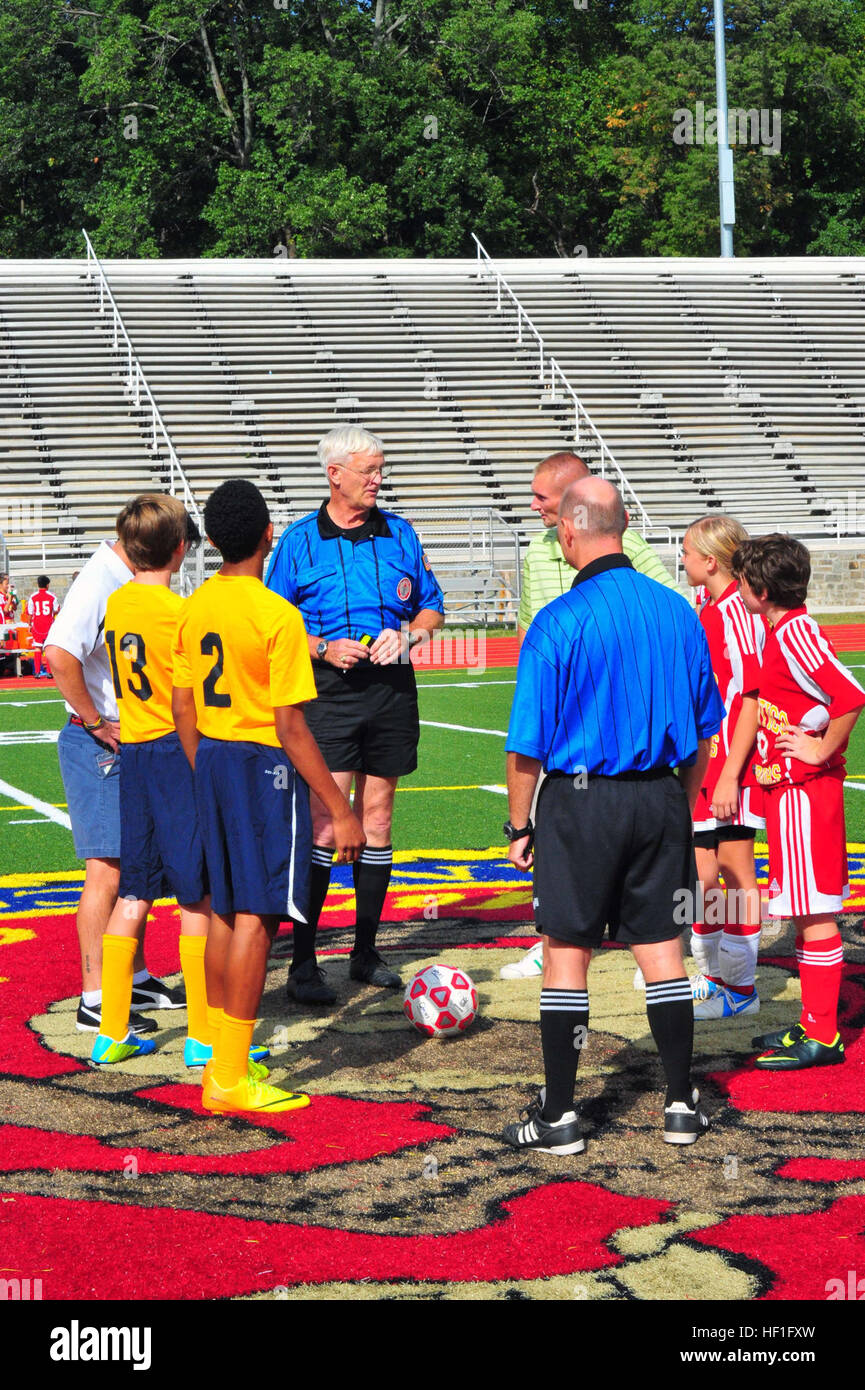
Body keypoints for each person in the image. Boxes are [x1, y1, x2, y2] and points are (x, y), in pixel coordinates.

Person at [502, 477, 725, 1154]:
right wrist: (675, 805)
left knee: (565, 954)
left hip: (581, 798)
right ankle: (681, 1106)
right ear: (622, 527)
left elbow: (525, 748)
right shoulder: (675, 611)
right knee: (663, 953)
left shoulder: (559, 619)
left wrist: (519, 828)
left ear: (570, 532)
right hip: (659, 795)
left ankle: (560, 1118)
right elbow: (704, 730)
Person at [172, 479, 365, 1115]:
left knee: (227, 912)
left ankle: (222, 1061)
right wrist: (340, 809)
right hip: (260, 764)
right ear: (267, 536)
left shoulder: (195, 604)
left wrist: (204, 767)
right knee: (255, 916)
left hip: (213, 758)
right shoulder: (277, 615)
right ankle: (229, 1076)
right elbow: (290, 726)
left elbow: (183, 705)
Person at [265, 426, 445, 1004]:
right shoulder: (297, 542)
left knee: (379, 820)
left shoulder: (401, 533)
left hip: (391, 689)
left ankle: (365, 952)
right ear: (333, 475)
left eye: (380, 469)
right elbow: (278, 621)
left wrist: (410, 636)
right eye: (367, 470)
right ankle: (304, 960)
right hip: (326, 692)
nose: (377, 479)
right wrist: (321, 647)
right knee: (325, 824)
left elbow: (432, 605)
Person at [503, 450, 683, 982]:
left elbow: (663, 605)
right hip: (560, 705)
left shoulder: (627, 547)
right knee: (556, 826)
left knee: (589, 825)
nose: (532, 507)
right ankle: (559, 930)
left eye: (541, 497)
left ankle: (623, 939)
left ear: (572, 504)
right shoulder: (538, 551)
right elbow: (528, 620)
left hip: (611, 707)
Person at [90, 496, 223, 1068]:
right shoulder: (181, 613)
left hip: (135, 751)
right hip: (174, 749)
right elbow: (189, 695)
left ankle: (111, 1032)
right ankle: (201, 1037)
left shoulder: (118, 602)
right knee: (197, 894)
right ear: (180, 548)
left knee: (134, 892)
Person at [44, 517, 184, 1036]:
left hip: (129, 740)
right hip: (100, 743)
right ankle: (95, 996)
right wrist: (97, 721)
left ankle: (134, 973)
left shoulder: (121, 575)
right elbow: (58, 654)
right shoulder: (103, 578)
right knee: (106, 869)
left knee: (135, 867)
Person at [733, 534, 865, 1070]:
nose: (738, 590)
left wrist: (819, 748)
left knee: (814, 913)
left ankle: (824, 1036)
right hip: (787, 793)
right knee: (805, 908)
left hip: (805, 793)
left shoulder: (796, 632)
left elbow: (850, 695)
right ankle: (814, 1024)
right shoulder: (779, 632)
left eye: (743, 582)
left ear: (761, 589)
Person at [679, 517, 767, 1021]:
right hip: (704, 761)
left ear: (710, 561)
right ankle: (713, 976)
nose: (683, 561)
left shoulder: (738, 610)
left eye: (688, 553)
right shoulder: (712, 607)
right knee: (704, 875)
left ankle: (743, 986)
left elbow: (751, 696)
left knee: (736, 872)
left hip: (730, 762)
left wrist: (732, 771)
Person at [26, 575, 60, 678]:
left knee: (37, 648)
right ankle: (49, 672)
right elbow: (57, 609)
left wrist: (29, 625)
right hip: (49, 625)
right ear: (47, 585)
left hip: (37, 625)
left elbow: (29, 612)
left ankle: (37, 672)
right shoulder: (52, 596)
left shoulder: (33, 596)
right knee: (48, 648)